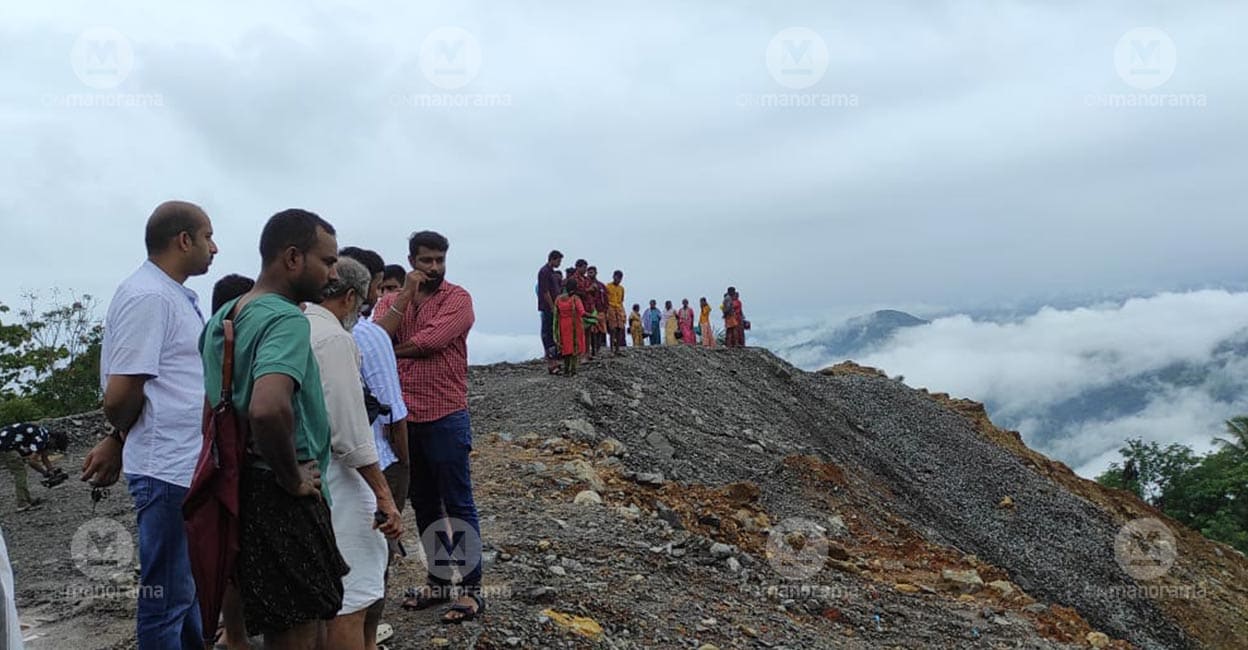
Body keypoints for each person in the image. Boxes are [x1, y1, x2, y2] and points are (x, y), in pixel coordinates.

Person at [200, 208, 349, 648]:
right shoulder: (285, 319)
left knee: (290, 619)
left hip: (238, 487)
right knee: (298, 629)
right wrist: (293, 478)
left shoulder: (225, 316)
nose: (333, 273)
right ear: (291, 258)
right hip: (281, 496)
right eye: (326, 261)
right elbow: (267, 408)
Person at [82, 200, 217, 649]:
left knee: (187, 591)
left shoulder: (168, 294)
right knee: (166, 599)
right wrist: (122, 434)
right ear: (184, 240)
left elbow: (160, 386)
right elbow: (122, 393)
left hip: (181, 465)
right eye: (207, 237)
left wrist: (119, 438)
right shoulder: (150, 297)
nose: (214, 247)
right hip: (167, 470)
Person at [374, 231, 484, 624]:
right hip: (404, 421)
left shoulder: (458, 299)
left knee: (458, 502)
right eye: (426, 261)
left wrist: (385, 348)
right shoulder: (390, 301)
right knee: (423, 504)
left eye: (439, 260)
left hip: (446, 415)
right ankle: (438, 582)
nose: (434, 268)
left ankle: (471, 591)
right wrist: (404, 297)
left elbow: (430, 341)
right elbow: (377, 334)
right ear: (411, 261)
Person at [307, 257, 402, 650]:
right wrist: (384, 494)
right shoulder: (334, 339)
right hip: (340, 484)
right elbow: (350, 434)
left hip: (304, 479)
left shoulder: (293, 325)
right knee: (352, 596)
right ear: (349, 298)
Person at [339, 247, 410, 647]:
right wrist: (404, 463)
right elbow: (395, 412)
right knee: (371, 563)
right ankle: (366, 637)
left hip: (332, 468)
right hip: (377, 462)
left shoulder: (308, 329)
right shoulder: (368, 336)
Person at [0, 424, 69, 512]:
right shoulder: (42, 438)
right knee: (20, 472)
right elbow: (32, 461)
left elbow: (44, 457)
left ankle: (28, 500)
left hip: (7, 443)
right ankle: (22, 503)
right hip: (6, 446)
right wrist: (45, 473)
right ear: (53, 440)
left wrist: (52, 471)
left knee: (21, 472)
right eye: (54, 447)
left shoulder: (44, 435)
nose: (53, 449)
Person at [537, 250, 564, 374]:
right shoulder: (544, 272)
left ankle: (555, 361)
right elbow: (545, 291)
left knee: (554, 334)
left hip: (555, 306)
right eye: (558, 260)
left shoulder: (552, 272)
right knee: (548, 334)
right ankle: (551, 363)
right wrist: (552, 306)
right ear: (553, 259)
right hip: (548, 307)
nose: (559, 263)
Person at [553, 278, 587, 376]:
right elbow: (582, 313)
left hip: (563, 325)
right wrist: (593, 317)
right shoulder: (575, 298)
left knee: (565, 347)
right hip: (574, 325)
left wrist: (556, 330)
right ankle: (573, 370)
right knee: (574, 347)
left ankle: (566, 370)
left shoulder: (558, 299)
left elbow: (556, 315)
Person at [604, 271, 626, 356]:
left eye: (620, 278)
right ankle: (612, 349)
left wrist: (622, 311)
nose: (618, 280)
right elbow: (605, 298)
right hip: (610, 308)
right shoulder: (608, 286)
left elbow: (621, 300)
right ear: (613, 277)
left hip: (619, 308)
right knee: (612, 329)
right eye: (617, 277)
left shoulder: (621, 288)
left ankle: (618, 349)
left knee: (620, 328)